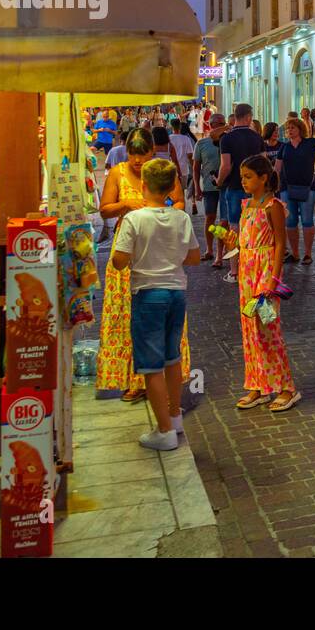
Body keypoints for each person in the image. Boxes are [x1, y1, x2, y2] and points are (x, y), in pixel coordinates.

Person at [109, 157, 199, 449]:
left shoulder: (135, 219)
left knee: (151, 366)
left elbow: (119, 262)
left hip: (148, 294)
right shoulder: (181, 218)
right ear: (172, 186)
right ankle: (174, 417)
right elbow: (194, 258)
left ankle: (164, 432)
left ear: (144, 186)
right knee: (172, 358)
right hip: (176, 292)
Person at [97, 129, 192, 402]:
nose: (137, 160)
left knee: (158, 315)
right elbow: (104, 209)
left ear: (153, 151)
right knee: (126, 316)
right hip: (127, 251)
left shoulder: (163, 172)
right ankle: (133, 379)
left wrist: (164, 211)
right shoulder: (117, 173)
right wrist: (126, 203)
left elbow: (180, 201)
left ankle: (160, 380)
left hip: (158, 248)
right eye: (133, 154)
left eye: (143, 154)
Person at [220, 154, 301, 413]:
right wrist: (232, 244)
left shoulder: (273, 206)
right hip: (247, 273)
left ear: (263, 178)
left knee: (268, 330)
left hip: (265, 274)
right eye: (242, 177)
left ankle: (287, 387)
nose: (243, 181)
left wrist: (273, 279)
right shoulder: (247, 205)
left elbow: (280, 243)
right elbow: (244, 244)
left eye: (248, 176)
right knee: (250, 331)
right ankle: (257, 384)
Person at [277, 115, 315, 265]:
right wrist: (274, 185)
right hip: (287, 188)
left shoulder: (310, 143)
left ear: (300, 129)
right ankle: (295, 253)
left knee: (307, 220)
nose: (289, 130)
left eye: (293, 128)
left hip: (308, 188)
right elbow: (277, 169)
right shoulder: (284, 147)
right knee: (290, 221)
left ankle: (308, 254)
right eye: (288, 128)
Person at [216, 103, 264, 283]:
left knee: (234, 229)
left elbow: (225, 166)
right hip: (255, 191)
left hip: (235, 188)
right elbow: (264, 164)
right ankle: (253, 268)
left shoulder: (226, 139)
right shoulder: (256, 138)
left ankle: (235, 272)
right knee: (254, 229)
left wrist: (219, 181)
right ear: (249, 116)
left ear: (235, 116)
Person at [193, 113, 228, 266]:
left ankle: (222, 251)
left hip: (227, 186)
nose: (219, 126)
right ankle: (209, 249)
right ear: (210, 125)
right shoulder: (201, 144)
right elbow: (195, 167)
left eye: (222, 123)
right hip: (209, 186)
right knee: (210, 218)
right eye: (216, 123)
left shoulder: (228, 141)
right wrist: (196, 188)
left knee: (225, 221)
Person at [169, 119, 196, 199]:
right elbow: (190, 156)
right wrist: (194, 169)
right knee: (181, 192)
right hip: (184, 169)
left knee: (171, 192)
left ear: (171, 127)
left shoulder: (168, 138)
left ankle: (172, 207)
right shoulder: (186, 139)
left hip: (171, 169)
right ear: (180, 127)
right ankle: (181, 209)